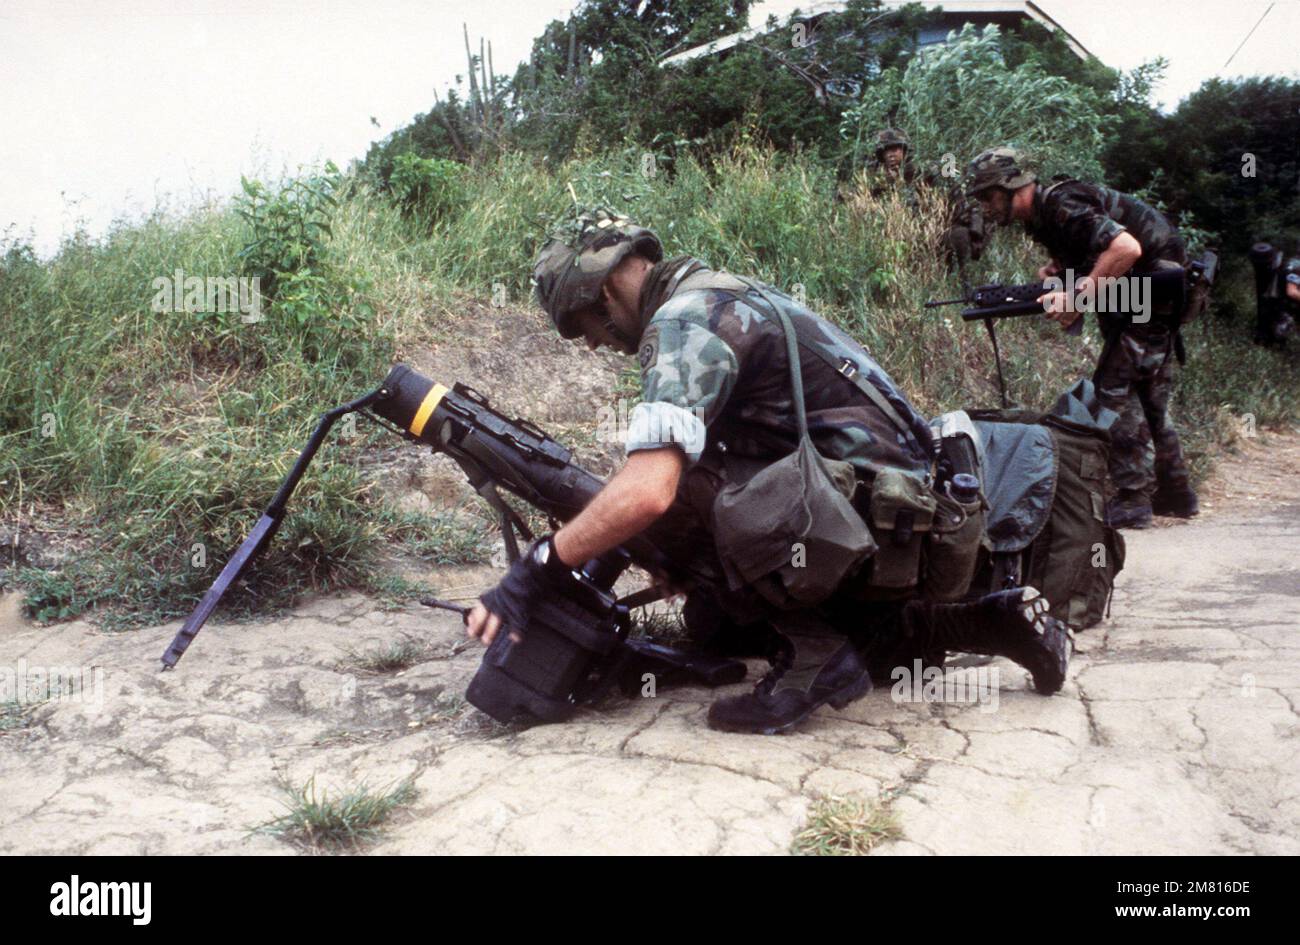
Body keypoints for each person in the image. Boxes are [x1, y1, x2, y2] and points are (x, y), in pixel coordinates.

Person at [465, 209, 1070, 734]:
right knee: (716, 627)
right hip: (896, 521)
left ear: (599, 295)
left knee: (662, 500)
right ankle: (992, 622)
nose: (593, 345)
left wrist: (536, 570)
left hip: (868, 522)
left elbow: (649, 493)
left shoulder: (682, 323)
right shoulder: (721, 291)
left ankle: (816, 654)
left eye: (582, 329)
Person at [966, 147, 1199, 529]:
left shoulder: (1062, 204)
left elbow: (1126, 248)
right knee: (1149, 391)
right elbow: (1096, 253)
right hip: (1138, 296)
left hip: (1153, 295)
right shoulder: (1044, 216)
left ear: (1011, 186)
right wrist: (1061, 272)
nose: (986, 206)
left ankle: (1133, 499)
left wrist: (1077, 296)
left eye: (988, 195)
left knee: (1111, 392)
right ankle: (1177, 494)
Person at [866, 128, 984, 270]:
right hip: (903, 239)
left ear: (904, 150)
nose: (891, 155)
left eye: (895, 149)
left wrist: (975, 228)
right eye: (887, 151)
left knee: (959, 237)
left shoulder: (923, 169)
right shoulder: (879, 180)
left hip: (936, 230)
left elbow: (959, 193)